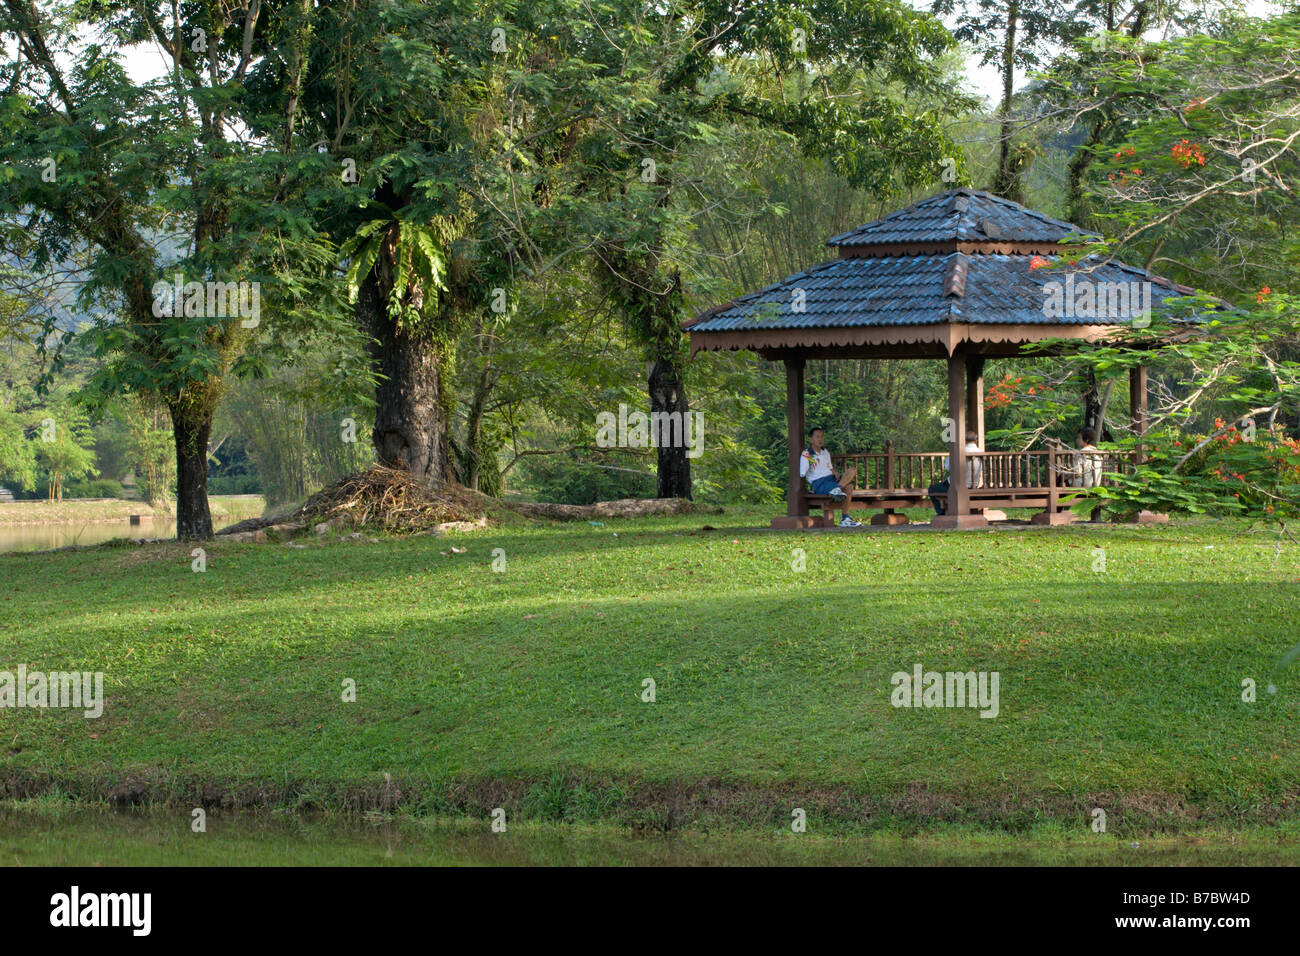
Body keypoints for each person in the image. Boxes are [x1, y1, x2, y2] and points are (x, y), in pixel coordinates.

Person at [800, 427, 861, 527]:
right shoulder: (806, 454)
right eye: (817, 437)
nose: (820, 439)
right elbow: (802, 473)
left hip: (831, 479)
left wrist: (834, 472)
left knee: (852, 471)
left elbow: (829, 468)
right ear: (811, 439)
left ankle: (845, 518)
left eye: (822, 437)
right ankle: (838, 491)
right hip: (819, 483)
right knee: (848, 488)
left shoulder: (825, 452)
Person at [929, 430, 983, 515]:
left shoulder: (957, 452)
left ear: (963, 440)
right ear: (976, 440)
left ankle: (941, 513)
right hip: (973, 485)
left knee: (932, 488)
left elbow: (948, 467)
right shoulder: (981, 453)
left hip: (954, 486)